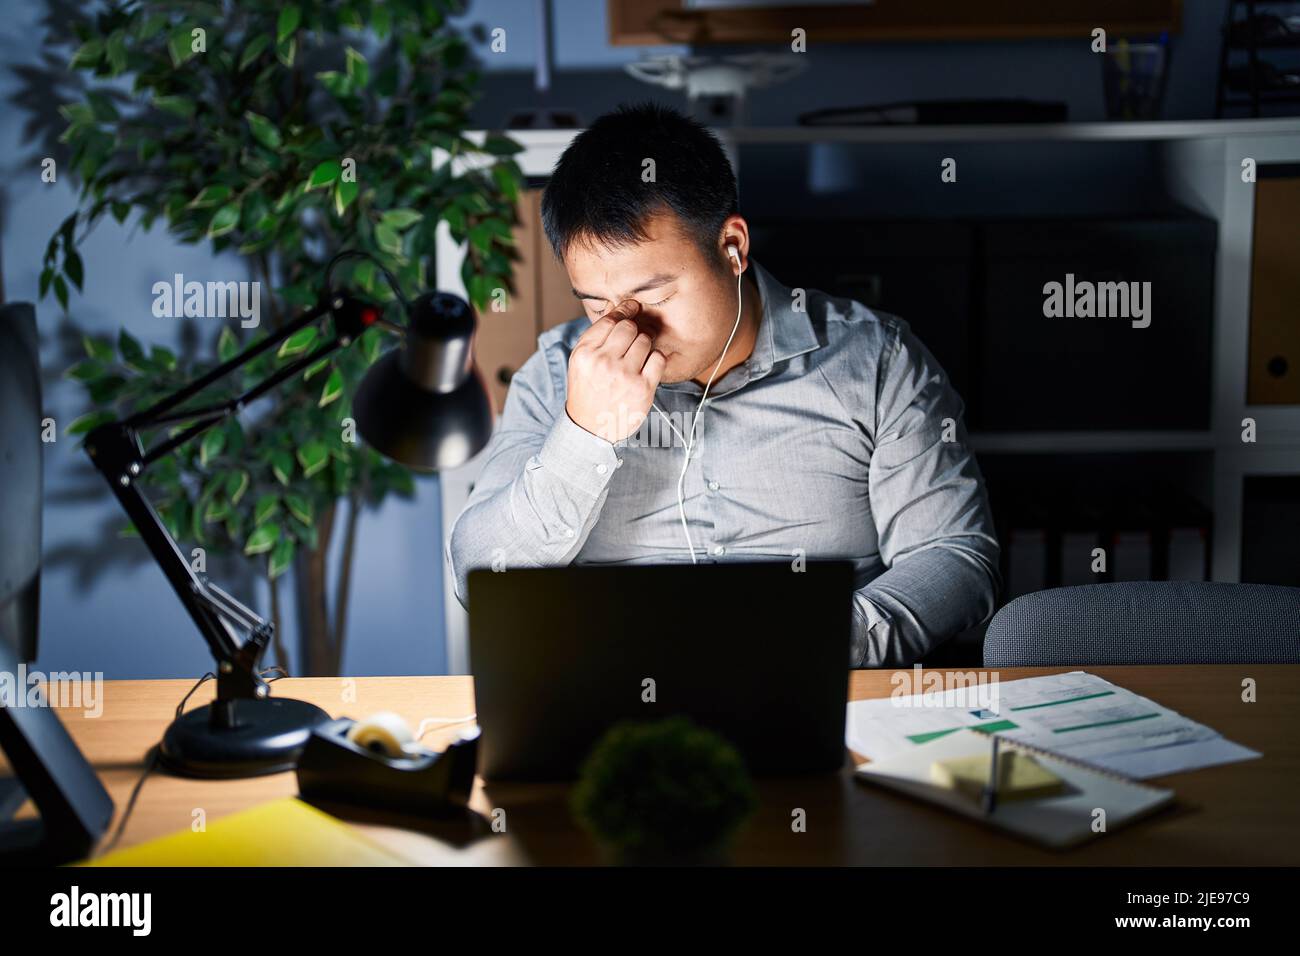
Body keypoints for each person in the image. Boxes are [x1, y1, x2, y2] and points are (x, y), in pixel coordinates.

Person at [447, 102, 999, 666]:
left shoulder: (877, 360)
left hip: (826, 684)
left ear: (732, 246)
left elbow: (956, 556)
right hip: (616, 696)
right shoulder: (554, 371)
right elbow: (479, 575)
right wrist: (584, 434)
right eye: (595, 303)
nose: (625, 327)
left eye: (657, 295)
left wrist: (829, 641)